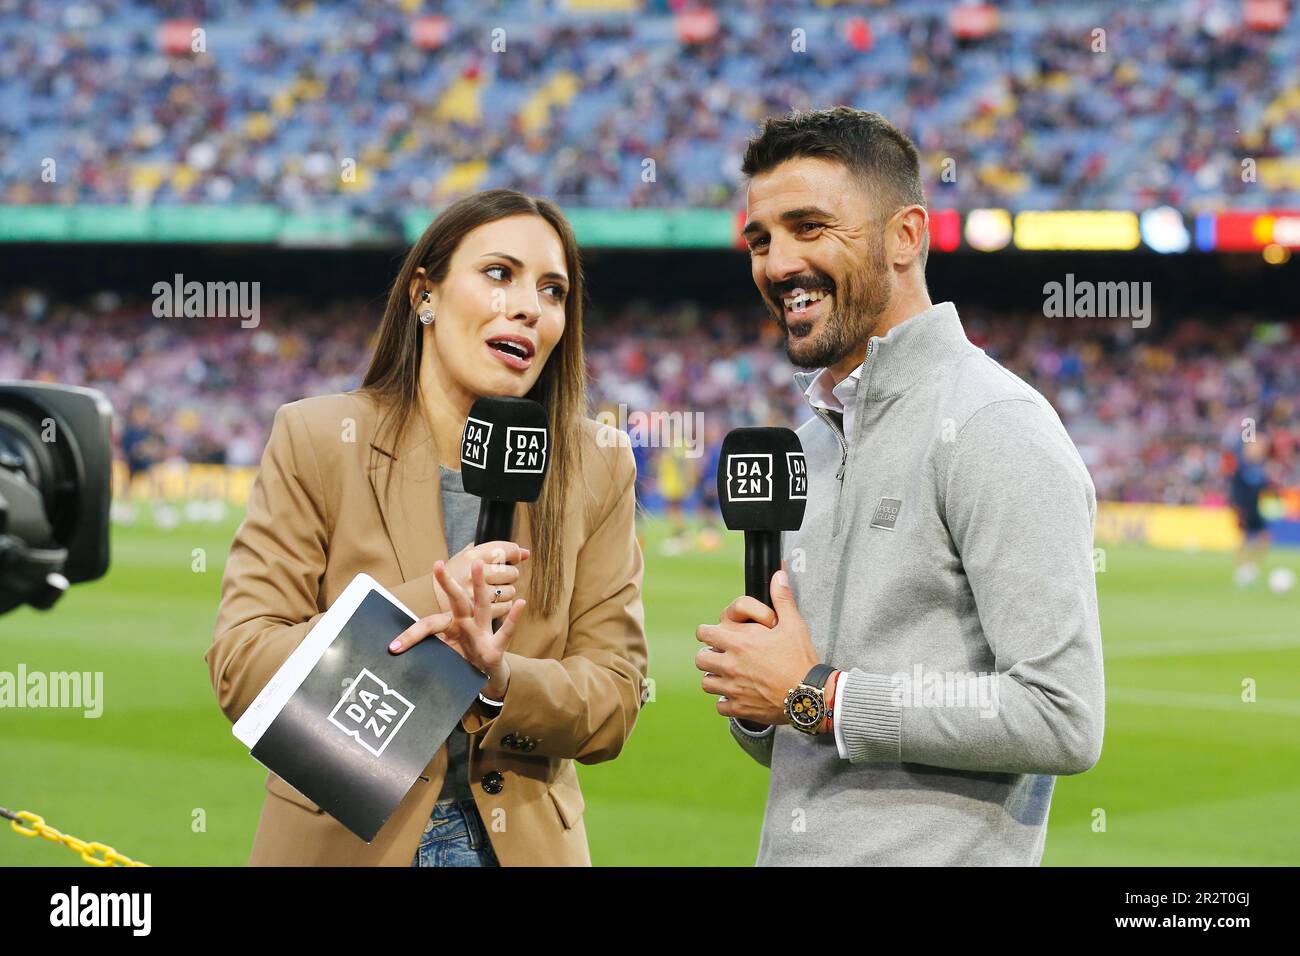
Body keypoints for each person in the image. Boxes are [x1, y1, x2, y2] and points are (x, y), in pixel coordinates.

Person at [696, 107, 1104, 865]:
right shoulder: (812, 442)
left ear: (906, 236)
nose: (777, 264)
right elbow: (817, 738)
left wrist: (818, 693)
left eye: (810, 227)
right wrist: (766, 699)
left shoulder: (994, 424)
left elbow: (1062, 717)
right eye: (761, 239)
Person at [206, 188, 649, 866]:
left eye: (553, 290)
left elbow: (615, 700)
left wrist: (501, 678)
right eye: (499, 274)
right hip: (346, 845)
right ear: (425, 295)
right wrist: (431, 605)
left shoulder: (597, 463)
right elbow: (242, 669)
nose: (530, 306)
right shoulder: (320, 438)